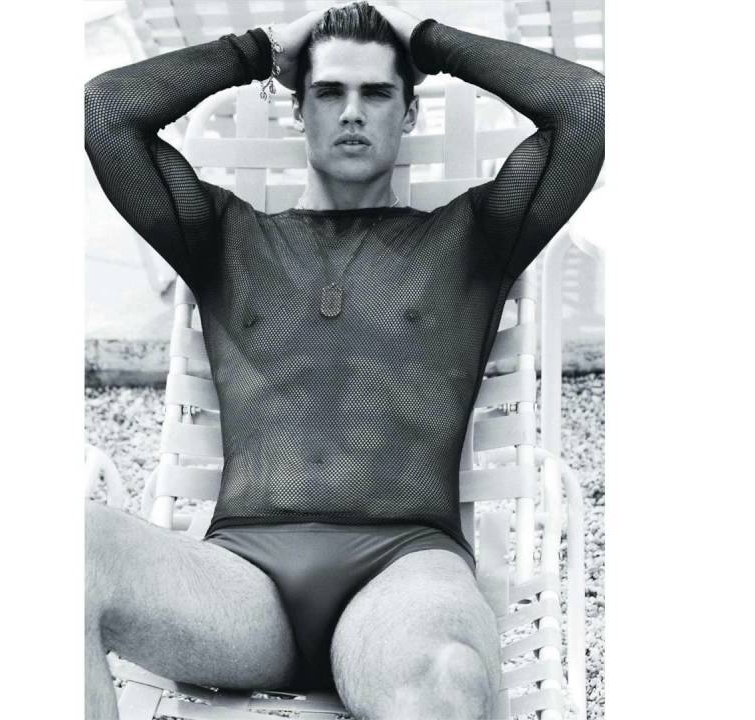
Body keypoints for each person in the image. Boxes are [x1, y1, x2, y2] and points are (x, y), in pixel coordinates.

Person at [84, 2, 603, 718]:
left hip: (402, 569)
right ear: (300, 111)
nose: (352, 112)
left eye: (377, 93)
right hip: (243, 581)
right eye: (329, 92)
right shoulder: (225, 238)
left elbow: (587, 107)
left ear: (409, 112)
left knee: (445, 679)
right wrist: (259, 49)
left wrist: (427, 41)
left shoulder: (471, 242)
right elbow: (106, 111)